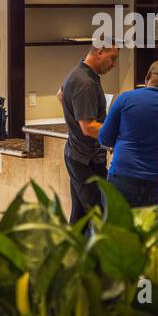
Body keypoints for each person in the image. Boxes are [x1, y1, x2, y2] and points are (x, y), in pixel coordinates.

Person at [97, 60, 158, 207]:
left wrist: (119, 141)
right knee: (143, 228)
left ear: (147, 76)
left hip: (123, 175)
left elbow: (104, 138)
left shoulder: (126, 98)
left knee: (113, 228)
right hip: (153, 180)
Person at [58, 44, 120, 223]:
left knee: (80, 218)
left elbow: (60, 95)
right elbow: (88, 127)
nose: (114, 64)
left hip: (79, 155)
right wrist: (117, 136)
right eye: (113, 58)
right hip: (86, 160)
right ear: (100, 52)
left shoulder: (78, 73)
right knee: (99, 215)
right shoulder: (85, 83)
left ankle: (72, 251)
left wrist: (73, 117)